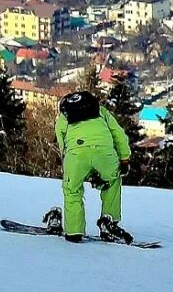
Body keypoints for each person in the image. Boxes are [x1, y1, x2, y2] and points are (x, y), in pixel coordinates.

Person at [46, 90, 132, 244]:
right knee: (112, 182)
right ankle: (109, 223)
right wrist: (124, 159)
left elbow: (61, 140)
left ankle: (74, 231)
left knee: (72, 189)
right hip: (105, 154)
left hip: (76, 154)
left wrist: (69, 160)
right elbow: (119, 135)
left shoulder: (64, 117)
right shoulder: (101, 112)